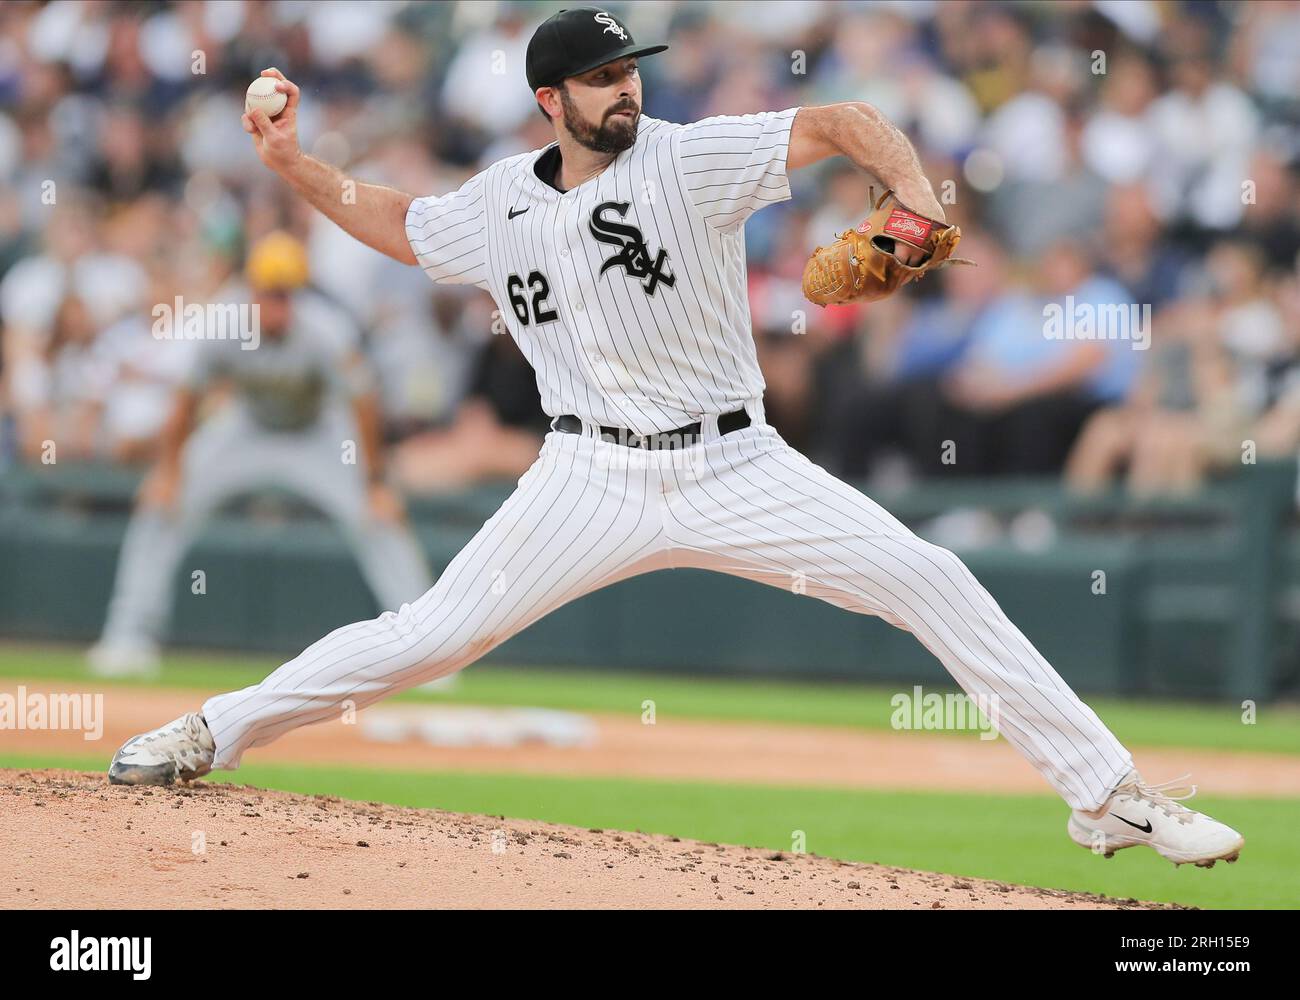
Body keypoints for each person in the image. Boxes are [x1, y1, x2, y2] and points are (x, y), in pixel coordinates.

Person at [108, 8, 1243, 869]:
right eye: (601, 76)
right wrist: (292, 166)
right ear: (549, 96)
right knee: (429, 634)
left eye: (630, 69)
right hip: (585, 472)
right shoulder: (500, 199)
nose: (625, 89)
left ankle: (1106, 795)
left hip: (735, 463)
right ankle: (214, 728)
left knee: (929, 574)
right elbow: (400, 223)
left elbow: (843, 120)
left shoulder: (685, 157)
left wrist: (913, 202)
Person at [89, 231, 432, 675]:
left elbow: (363, 405)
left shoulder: (324, 329)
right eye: (271, 293)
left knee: (379, 516)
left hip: (317, 432)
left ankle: (424, 649)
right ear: (251, 290)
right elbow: (186, 401)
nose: (279, 304)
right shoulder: (222, 322)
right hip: (245, 427)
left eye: (287, 294)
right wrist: (169, 471)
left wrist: (374, 482)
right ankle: (128, 637)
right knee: (161, 505)